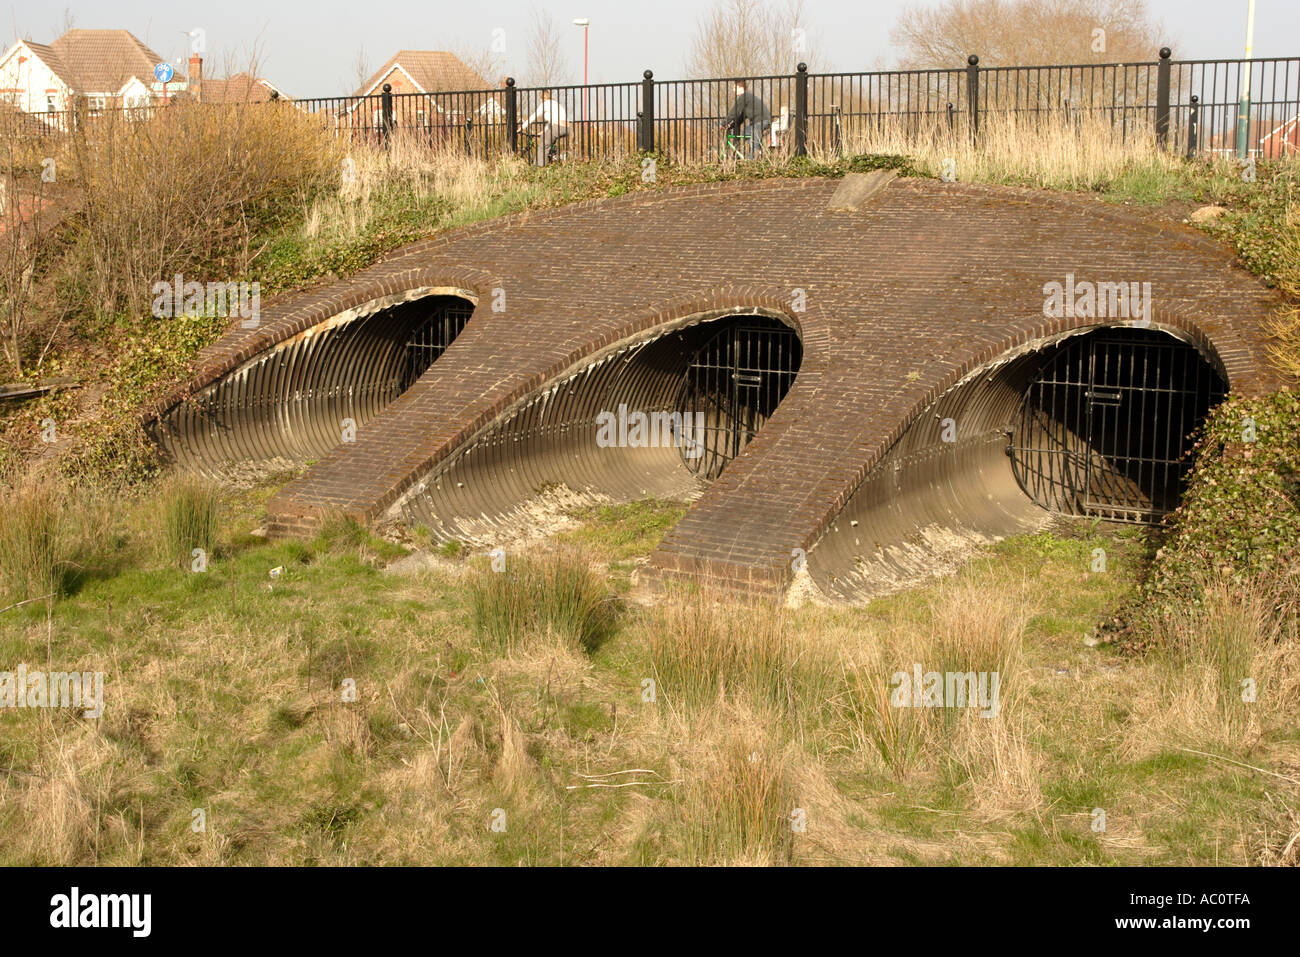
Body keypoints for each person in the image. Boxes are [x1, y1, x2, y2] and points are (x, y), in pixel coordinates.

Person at [721, 80, 772, 158]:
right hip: (758, 121)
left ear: (740, 88)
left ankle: (753, 161)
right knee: (745, 133)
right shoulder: (747, 98)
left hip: (761, 121)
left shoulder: (744, 97)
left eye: (735, 87)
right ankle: (759, 149)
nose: (733, 90)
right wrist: (732, 124)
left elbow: (734, 111)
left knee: (754, 142)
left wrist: (724, 123)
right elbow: (741, 116)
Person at [519, 90, 568, 166]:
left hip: (558, 127)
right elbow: (553, 120)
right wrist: (544, 131)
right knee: (544, 139)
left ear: (543, 98)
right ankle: (552, 159)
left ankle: (539, 167)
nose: (540, 101)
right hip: (565, 128)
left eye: (540, 99)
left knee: (543, 146)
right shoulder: (554, 103)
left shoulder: (546, 104)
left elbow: (534, 116)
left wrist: (522, 127)